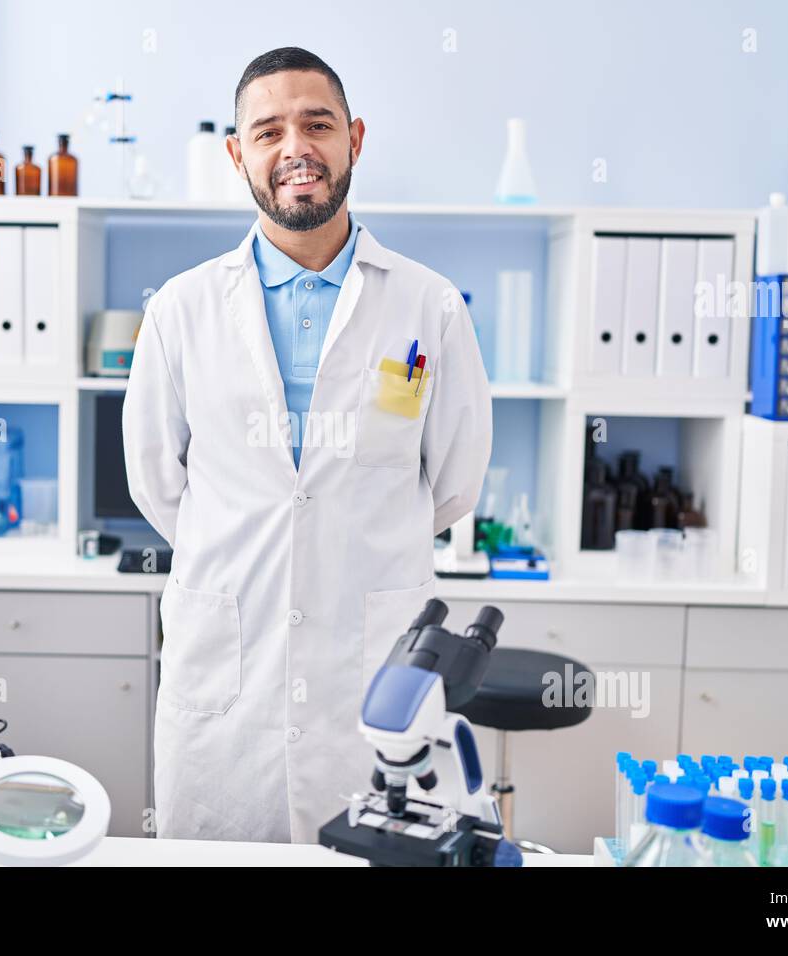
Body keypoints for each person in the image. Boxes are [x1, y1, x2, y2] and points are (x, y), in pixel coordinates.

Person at [122, 47, 491, 843]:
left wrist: (345, 540)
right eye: (268, 131)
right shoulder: (181, 311)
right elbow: (156, 482)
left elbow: (456, 482)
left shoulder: (429, 306)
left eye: (317, 124)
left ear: (354, 139)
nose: (296, 147)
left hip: (371, 682)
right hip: (225, 684)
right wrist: (255, 543)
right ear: (238, 155)